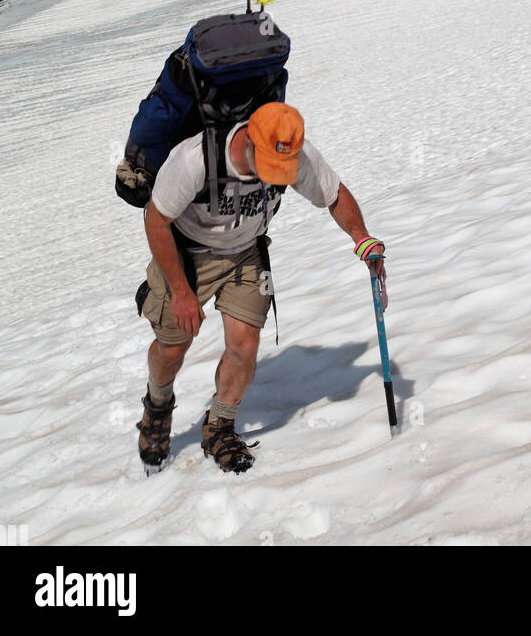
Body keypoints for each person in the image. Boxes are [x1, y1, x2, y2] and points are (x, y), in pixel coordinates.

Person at [136, 101, 385, 473]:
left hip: (246, 253)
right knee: (173, 348)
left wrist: (361, 237)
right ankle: (157, 406)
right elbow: (156, 221)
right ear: (249, 137)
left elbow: (334, 195)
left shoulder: (294, 152)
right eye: (268, 165)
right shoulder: (195, 160)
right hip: (186, 256)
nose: (274, 175)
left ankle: (219, 425)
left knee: (245, 346)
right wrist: (181, 291)